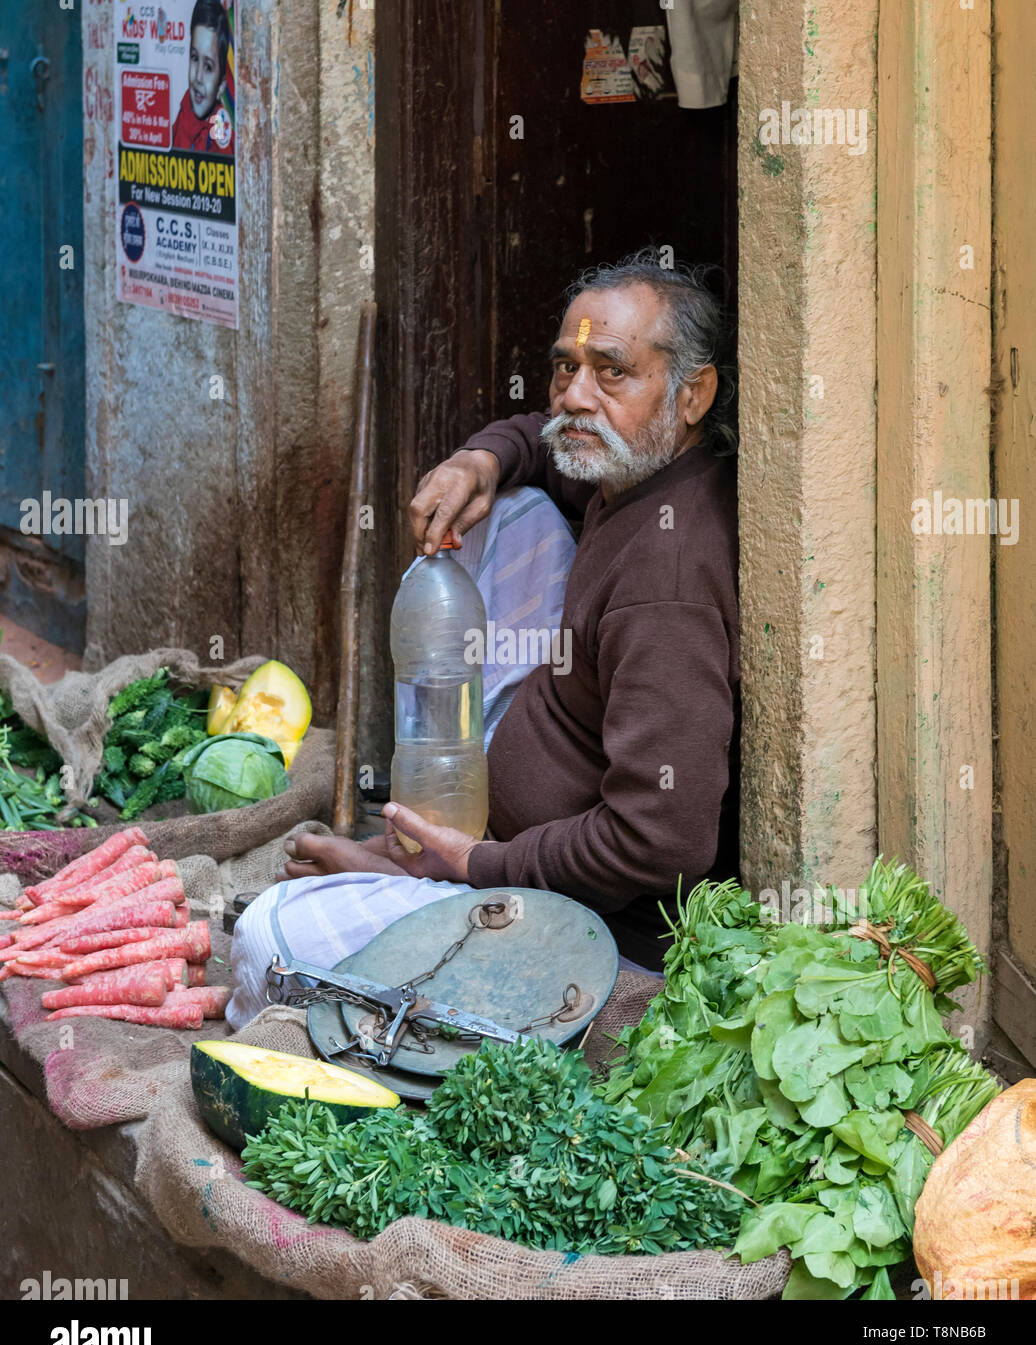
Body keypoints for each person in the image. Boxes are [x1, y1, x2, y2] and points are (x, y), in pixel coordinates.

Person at [227, 250, 740, 1028]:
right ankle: (420, 864)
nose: (575, 396)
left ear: (692, 393)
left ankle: (426, 879)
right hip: (513, 822)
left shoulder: (666, 580)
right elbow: (541, 439)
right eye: (565, 368)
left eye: (612, 372)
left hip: (596, 927)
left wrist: (475, 866)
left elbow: (659, 840)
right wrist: (481, 460)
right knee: (507, 508)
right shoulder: (636, 472)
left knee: (268, 936)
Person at [171, 0, 235, 155]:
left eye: (208, 67)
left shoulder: (221, 131)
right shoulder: (186, 109)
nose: (198, 77)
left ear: (221, 84)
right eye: (194, 58)